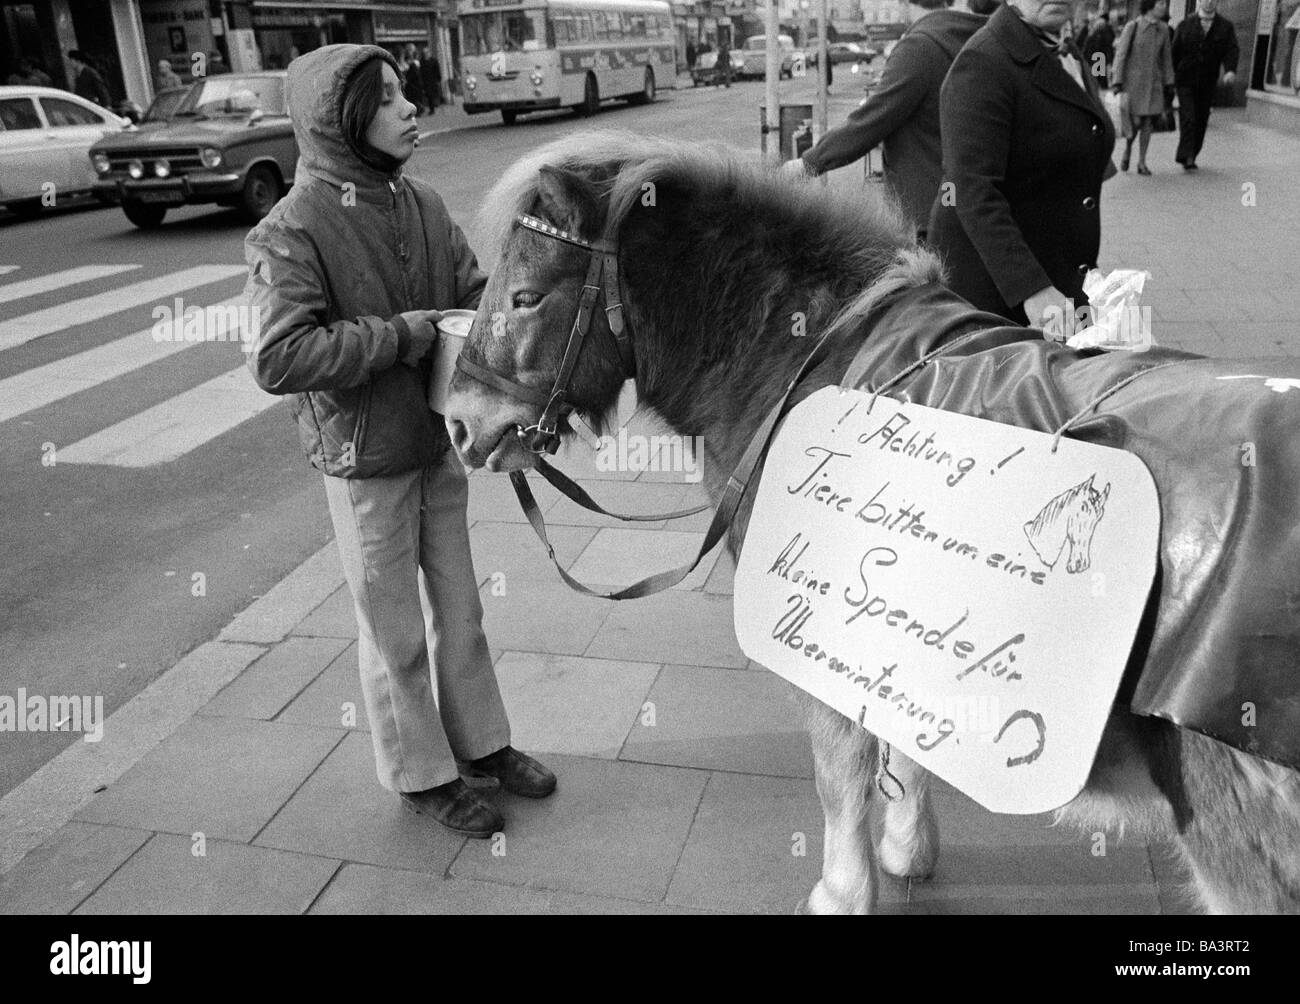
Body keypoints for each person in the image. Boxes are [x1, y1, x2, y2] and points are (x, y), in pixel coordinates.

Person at [244, 44, 555, 839]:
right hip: (362, 461)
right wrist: (401, 336)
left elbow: (470, 286)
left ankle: (483, 746)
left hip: (432, 442)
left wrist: (495, 316)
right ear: (340, 121)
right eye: (385, 100)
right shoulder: (290, 229)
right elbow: (279, 357)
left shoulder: (417, 201)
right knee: (394, 635)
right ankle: (422, 775)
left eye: (401, 94)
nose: (409, 107)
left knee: (463, 611)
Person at [927, 0, 1116, 337]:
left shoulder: (1065, 50)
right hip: (999, 295)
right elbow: (971, 188)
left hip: (1062, 275)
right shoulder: (983, 61)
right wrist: (1032, 290)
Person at [788, 0, 998, 240]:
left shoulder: (921, 46)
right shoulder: (984, 36)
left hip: (926, 215)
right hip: (977, 207)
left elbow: (872, 120)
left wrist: (808, 164)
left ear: (905, 5)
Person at [1172, 0, 1239, 170]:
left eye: (1213, 0)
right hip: (1185, 78)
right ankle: (1185, 155)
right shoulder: (1185, 24)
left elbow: (1232, 49)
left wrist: (1230, 70)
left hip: (1208, 81)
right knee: (1188, 117)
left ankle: (1193, 153)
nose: (1209, 3)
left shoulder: (1225, 27)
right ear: (1199, 2)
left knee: (1201, 118)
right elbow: (1174, 52)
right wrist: (1169, 78)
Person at [1111, 0, 1174, 175]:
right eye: (1161, 3)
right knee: (1136, 122)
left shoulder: (1164, 29)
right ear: (1150, 5)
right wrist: (1117, 81)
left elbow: (1167, 58)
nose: (1164, 7)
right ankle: (1128, 149)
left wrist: (1169, 82)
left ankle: (1142, 162)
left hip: (1155, 84)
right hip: (1134, 85)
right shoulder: (1133, 26)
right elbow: (1121, 55)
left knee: (1148, 123)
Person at [1080, 8, 1118, 89]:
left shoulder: (1093, 33)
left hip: (1096, 58)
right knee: (1098, 80)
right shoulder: (1104, 31)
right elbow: (1108, 47)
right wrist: (1110, 60)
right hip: (1099, 58)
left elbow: (1086, 48)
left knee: (1096, 79)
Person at [403, 43, 428, 114]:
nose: (411, 52)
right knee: (412, 98)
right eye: (409, 50)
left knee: (416, 98)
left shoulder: (416, 61)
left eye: (412, 50)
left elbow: (419, 72)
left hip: (416, 83)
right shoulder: (406, 60)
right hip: (411, 84)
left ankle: (419, 110)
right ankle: (418, 110)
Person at [420, 44, 442, 109]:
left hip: (433, 80)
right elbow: (421, 72)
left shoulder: (434, 61)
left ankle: (434, 105)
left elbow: (437, 70)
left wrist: (438, 79)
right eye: (424, 53)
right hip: (426, 81)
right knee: (429, 95)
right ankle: (431, 107)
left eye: (427, 52)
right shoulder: (422, 61)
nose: (425, 54)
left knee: (434, 94)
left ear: (429, 53)